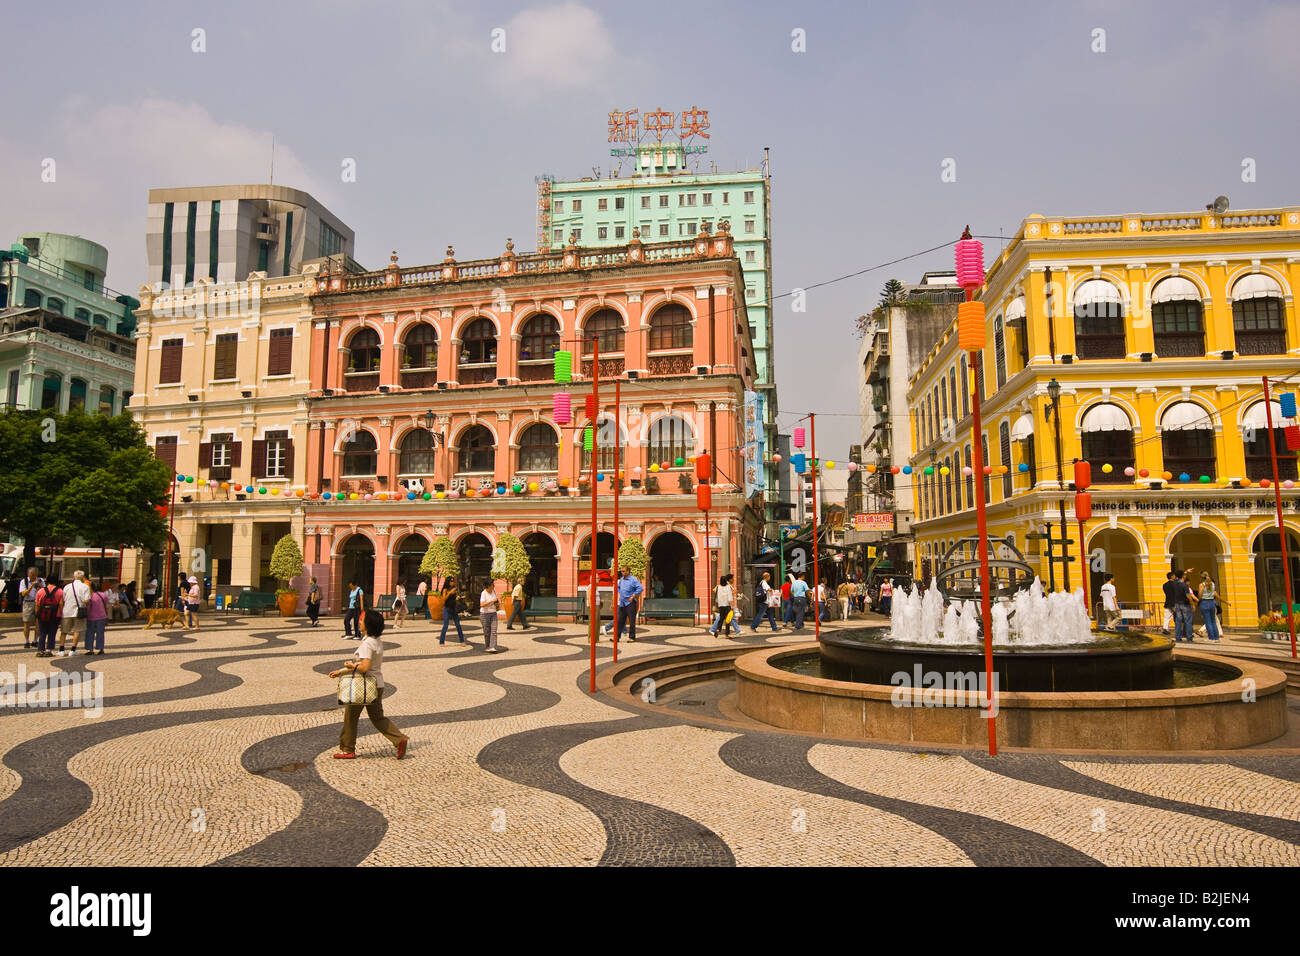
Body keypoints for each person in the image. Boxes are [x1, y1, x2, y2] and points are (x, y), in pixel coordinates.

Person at [329, 608, 408, 760]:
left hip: (364, 686)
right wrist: (341, 671)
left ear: (368, 624)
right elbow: (368, 664)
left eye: (361, 620)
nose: (359, 622)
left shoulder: (367, 644)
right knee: (378, 718)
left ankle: (347, 749)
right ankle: (399, 739)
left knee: (351, 716)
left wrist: (351, 666)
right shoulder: (377, 641)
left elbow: (364, 668)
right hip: (377, 684)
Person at [59, 569, 91, 657]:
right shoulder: (85, 587)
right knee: (77, 631)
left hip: (67, 611)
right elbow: (87, 600)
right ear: (83, 578)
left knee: (64, 631)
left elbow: (63, 599)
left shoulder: (67, 586)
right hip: (79, 612)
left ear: (74, 577)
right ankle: (72, 650)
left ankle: (61, 650)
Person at [34, 577, 63, 658]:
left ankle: (40, 650)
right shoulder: (60, 591)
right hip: (54, 615)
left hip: (42, 614)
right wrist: (61, 614)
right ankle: (49, 650)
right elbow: (61, 604)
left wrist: (37, 615)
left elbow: (37, 604)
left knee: (42, 632)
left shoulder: (41, 591)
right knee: (52, 632)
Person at [1165, 570, 1194, 643]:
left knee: (1178, 621)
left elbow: (1179, 576)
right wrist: (1192, 604)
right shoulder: (1184, 585)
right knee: (1188, 621)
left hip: (1177, 604)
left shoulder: (1174, 584)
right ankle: (1189, 637)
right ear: (1183, 576)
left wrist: (1186, 571)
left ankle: (1178, 637)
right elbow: (1188, 596)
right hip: (1185, 604)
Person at [615, 567, 644, 642]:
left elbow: (640, 588)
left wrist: (633, 596)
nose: (622, 572)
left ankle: (632, 637)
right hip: (622, 603)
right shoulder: (621, 579)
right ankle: (617, 637)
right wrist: (619, 595)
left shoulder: (633, 579)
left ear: (628, 571)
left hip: (630, 603)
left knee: (631, 621)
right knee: (620, 620)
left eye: (623, 571)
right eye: (621, 571)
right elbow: (618, 588)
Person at [19, 568, 43, 648]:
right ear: (28, 574)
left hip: (38, 603)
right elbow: (23, 593)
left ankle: (35, 640)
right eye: (32, 574)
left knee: (38, 623)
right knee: (26, 623)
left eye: (35, 574)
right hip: (28, 603)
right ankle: (26, 641)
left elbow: (45, 591)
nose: (34, 576)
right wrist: (31, 586)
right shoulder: (24, 581)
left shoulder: (40, 580)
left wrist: (40, 586)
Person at [84, 579, 109, 656]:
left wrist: (86, 614)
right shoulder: (103, 595)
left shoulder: (90, 596)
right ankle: (101, 648)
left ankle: (90, 649)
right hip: (102, 616)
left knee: (90, 633)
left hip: (91, 617)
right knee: (100, 633)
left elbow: (88, 607)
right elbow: (106, 606)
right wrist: (106, 614)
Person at [438, 577, 465, 644]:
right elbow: (444, 599)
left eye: (453, 581)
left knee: (458, 625)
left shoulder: (455, 589)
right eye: (451, 581)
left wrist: (460, 597)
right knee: (446, 625)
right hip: (447, 608)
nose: (453, 582)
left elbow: (457, 597)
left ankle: (462, 641)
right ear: (448, 582)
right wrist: (450, 592)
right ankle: (441, 642)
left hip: (454, 608)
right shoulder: (445, 590)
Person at [479, 580, 502, 653]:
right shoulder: (483, 593)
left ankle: (493, 647)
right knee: (487, 632)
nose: (494, 586)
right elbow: (482, 605)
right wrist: (492, 601)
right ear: (488, 586)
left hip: (493, 613)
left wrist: (497, 605)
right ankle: (488, 646)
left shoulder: (494, 591)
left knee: (494, 631)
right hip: (484, 614)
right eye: (492, 585)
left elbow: (496, 601)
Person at [1198, 572, 1221, 642]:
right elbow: (1214, 593)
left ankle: (1211, 637)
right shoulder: (1212, 584)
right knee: (1213, 621)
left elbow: (1200, 594)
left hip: (1205, 602)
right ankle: (1216, 637)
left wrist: (1199, 599)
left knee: (1208, 621)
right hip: (1212, 602)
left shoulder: (1202, 585)